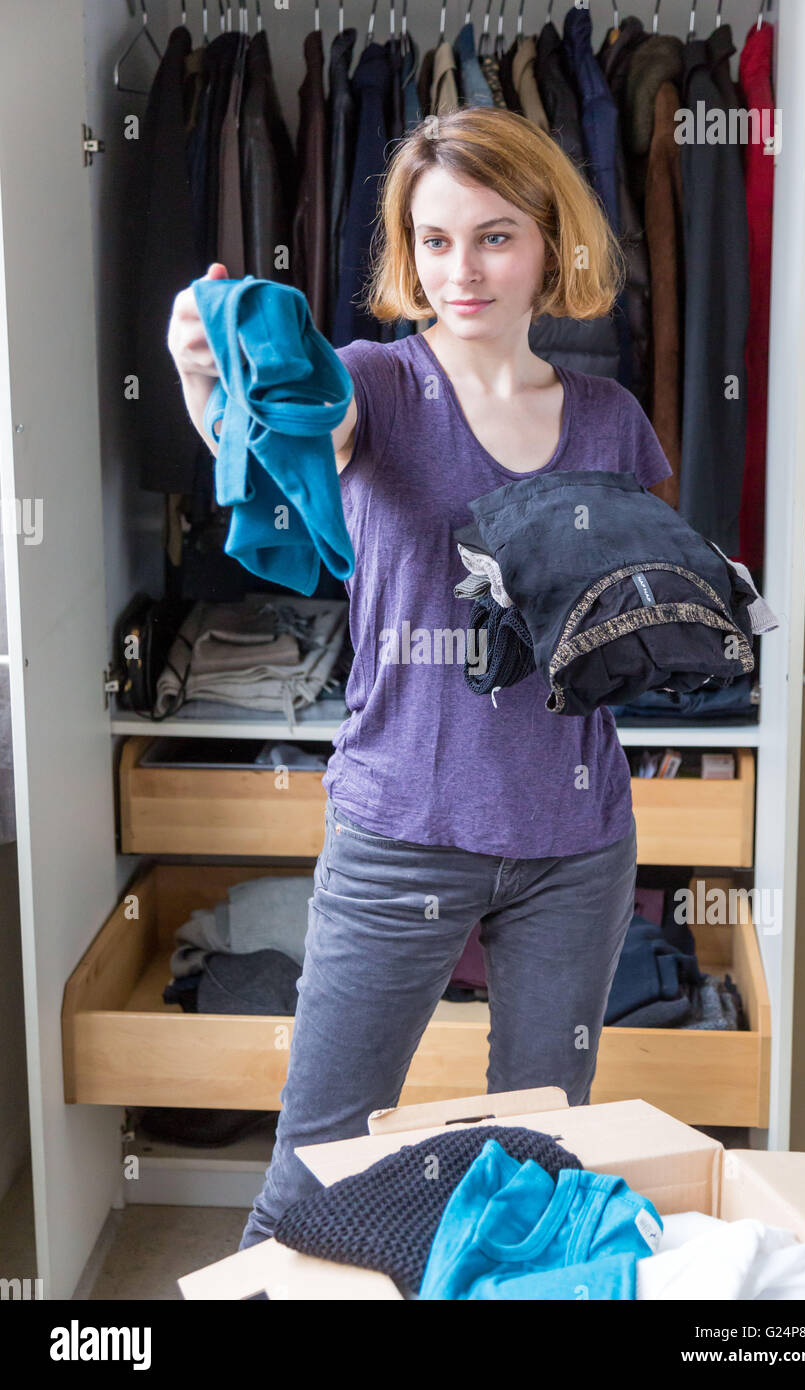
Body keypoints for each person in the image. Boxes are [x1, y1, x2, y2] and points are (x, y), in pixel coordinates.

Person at [167, 107, 672, 1249]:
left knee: (539, 1169)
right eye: (433, 240)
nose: (462, 269)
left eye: (493, 236)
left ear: (549, 239)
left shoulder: (610, 422)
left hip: (574, 842)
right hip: (399, 834)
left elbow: (625, 616)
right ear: (405, 248)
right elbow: (283, 434)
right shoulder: (373, 386)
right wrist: (197, 367)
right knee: (308, 1183)